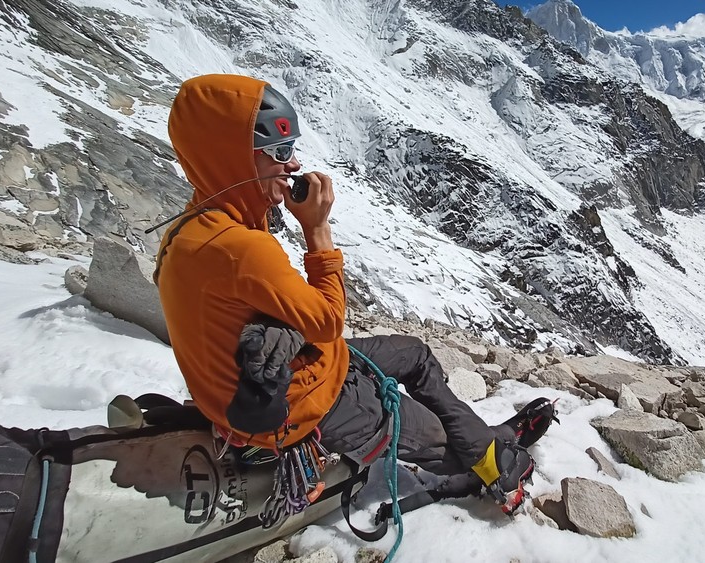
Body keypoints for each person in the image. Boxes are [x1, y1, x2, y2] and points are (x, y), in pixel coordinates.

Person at [153, 74, 539, 514]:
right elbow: (328, 321)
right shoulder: (238, 247)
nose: (294, 164)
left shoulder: (192, 229)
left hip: (308, 369)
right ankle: (489, 460)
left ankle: (483, 441)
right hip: (308, 403)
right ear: (234, 158)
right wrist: (317, 229)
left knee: (414, 353)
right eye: (280, 152)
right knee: (434, 438)